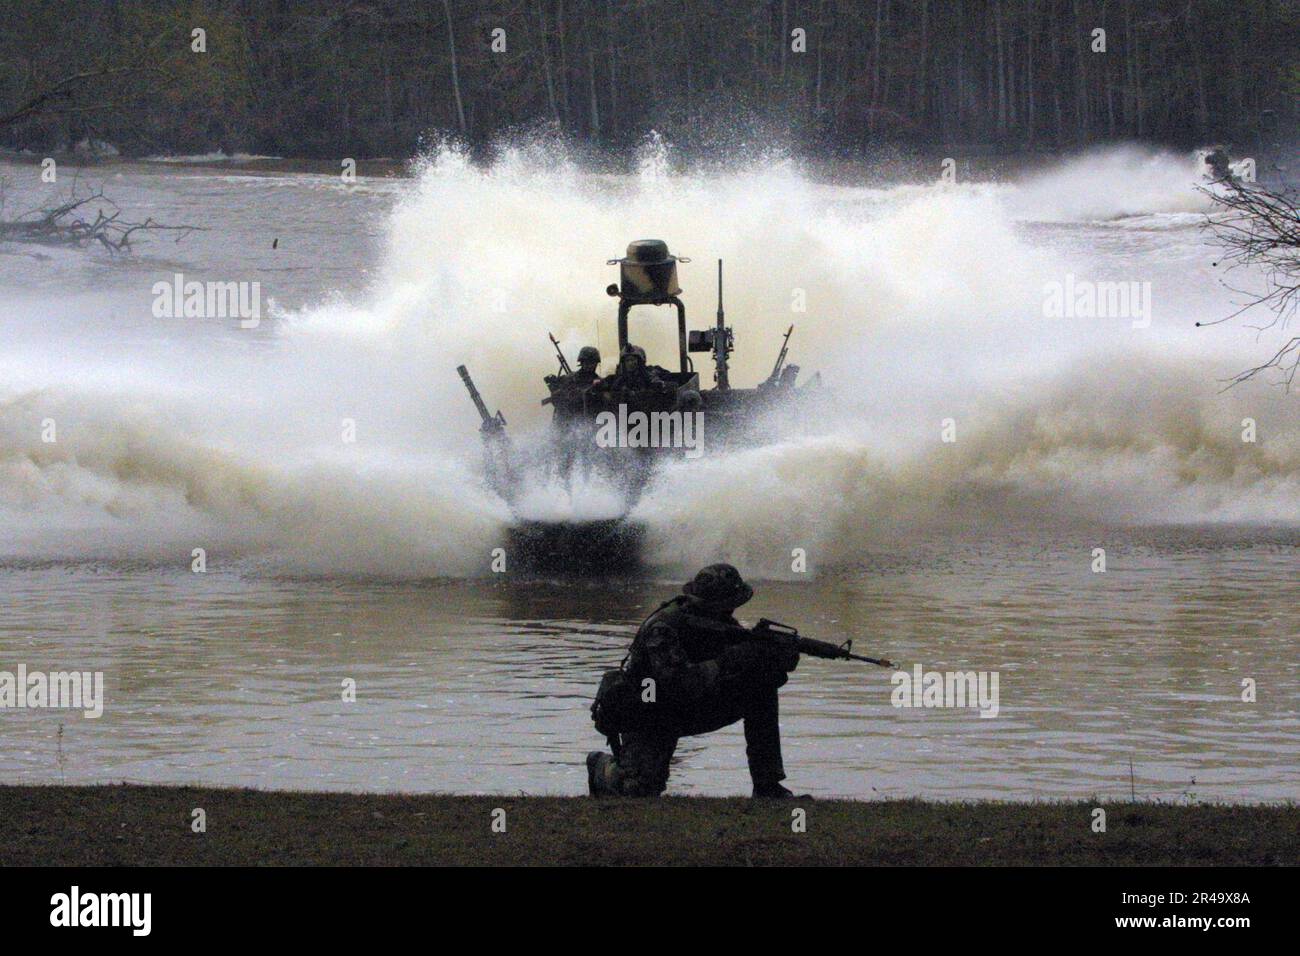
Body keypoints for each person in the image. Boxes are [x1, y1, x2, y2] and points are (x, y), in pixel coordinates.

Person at [586, 564, 805, 799]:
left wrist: (772, 660)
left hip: (685, 708)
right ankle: (600, 766)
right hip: (648, 711)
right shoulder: (665, 628)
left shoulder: (719, 625)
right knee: (639, 789)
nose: (731, 612)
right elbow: (678, 684)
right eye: (726, 606)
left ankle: (767, 784)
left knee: (761, 686)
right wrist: (727, 661)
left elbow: (741, 671)